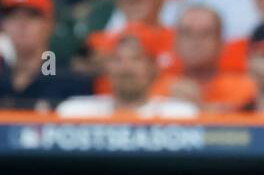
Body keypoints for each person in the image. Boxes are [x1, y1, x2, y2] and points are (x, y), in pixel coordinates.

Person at [57, 28, 197, 118]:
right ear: (107, 67)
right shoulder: (76, 111)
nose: (126, 67)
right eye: (117, 59)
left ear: (152, 68)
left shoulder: (178, 114)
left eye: (136, 59)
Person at [0, 0, 92, 109]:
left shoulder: (70, 79)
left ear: (50, 24)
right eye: (13, 16)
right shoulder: (3, 75)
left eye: (32, 16)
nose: (21, 24)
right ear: (3, 25)